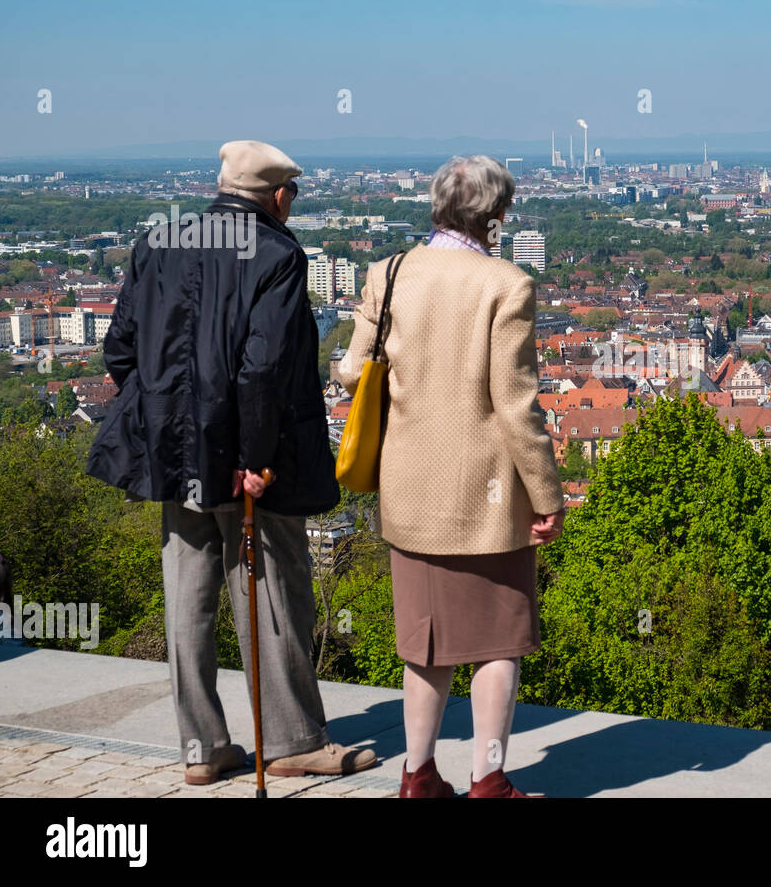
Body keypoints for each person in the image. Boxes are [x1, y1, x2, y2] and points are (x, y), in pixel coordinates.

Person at [88, 140, 377, 784]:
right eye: (292, 195)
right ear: (276, 196)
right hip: (253, 460)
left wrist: (162, 419)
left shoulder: (157, 242)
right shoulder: (277, 253)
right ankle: (291, 739)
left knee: (186, 597)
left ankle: (202, 748)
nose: (293, 205)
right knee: (272, 591)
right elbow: (264, 367)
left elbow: (121, 352)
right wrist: (255, 456)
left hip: (172, 451)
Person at [337, 155, 565, 798]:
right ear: (496, 216)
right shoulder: (506, 284)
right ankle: (488, 780)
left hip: (409, 488)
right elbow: (514, 404)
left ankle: (417, 775)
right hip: (487, 498)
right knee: (497, 643)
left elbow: (353, 374)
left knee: (425, 643)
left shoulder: (389, 273)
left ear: (437, 205)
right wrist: (546, 496)